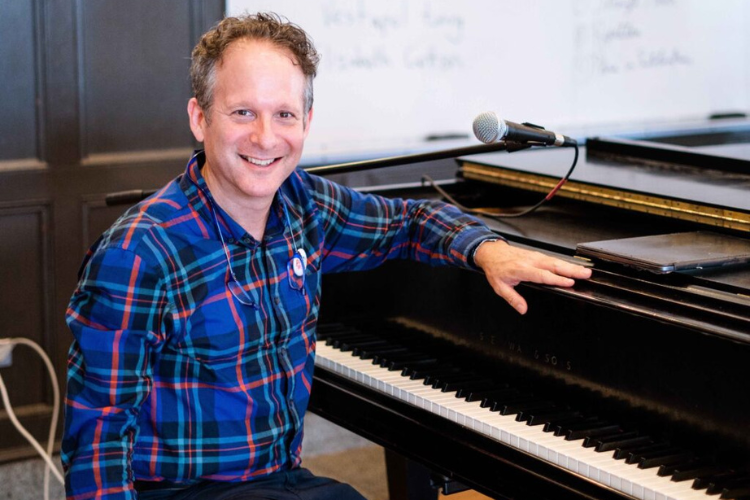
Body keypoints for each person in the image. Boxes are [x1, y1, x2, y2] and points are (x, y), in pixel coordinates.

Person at [61, 12, 591, 500]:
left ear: (307, 122)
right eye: (243, 112)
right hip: (179, 491)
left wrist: (485, 248)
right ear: (200, 119)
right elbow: (97, 445)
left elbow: (408, 222)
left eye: (284, 114)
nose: (265, 137)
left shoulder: (303, 204)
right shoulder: (137, 255)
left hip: (278, 480)